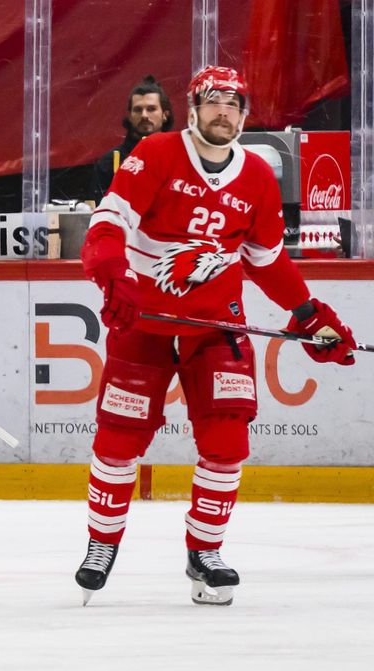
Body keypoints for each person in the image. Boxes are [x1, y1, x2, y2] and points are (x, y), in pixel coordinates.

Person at [77, 65, 357, 605]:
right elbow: (108, 224)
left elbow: (267, 259)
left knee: (228, 444)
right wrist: (114, 275)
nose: (224, 111)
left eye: (234, 104)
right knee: (118, 439)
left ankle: (205, 552)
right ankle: (101, 545)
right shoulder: (156, 153)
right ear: (193, 107)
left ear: (245, 115)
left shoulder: (255, 175)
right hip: (146, 325)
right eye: (214, 102)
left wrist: (309, 314)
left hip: (216, 327)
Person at [92, 75, 173, 201]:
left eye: (151, 109)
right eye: (138, 110)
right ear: (129, 116)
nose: (144, 115)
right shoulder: (109, 162)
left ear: (165, 115)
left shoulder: (182, 157)